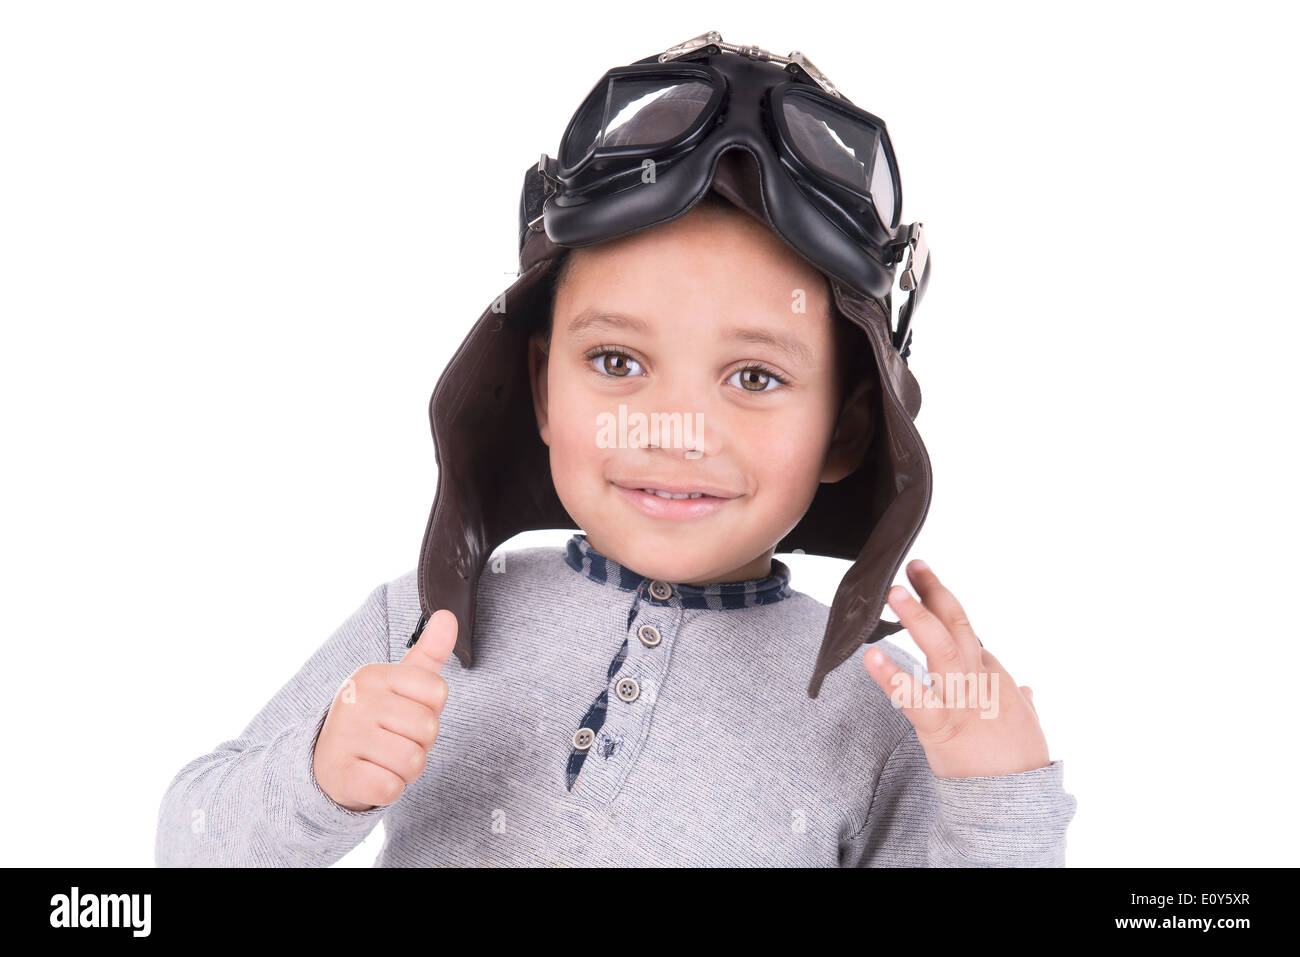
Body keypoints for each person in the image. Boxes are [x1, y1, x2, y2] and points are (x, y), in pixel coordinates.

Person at [155, 32, 1076, 867]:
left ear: (847, 430)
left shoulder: (880, 710)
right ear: (543, 390)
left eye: (754, 377)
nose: (676, 428)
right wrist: (317, 777)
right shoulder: (429, 624)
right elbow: (186, 843)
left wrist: (1000, 802)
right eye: (617, 359)